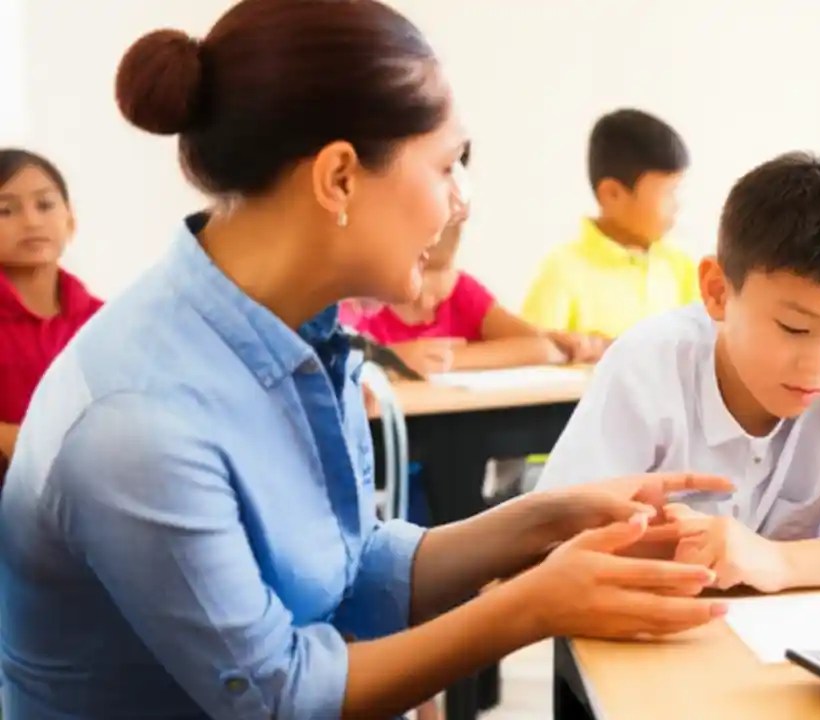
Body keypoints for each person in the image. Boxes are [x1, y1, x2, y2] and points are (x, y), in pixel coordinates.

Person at [0, 2, 732, 718]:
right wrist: (532, 603)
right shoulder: (136, 426)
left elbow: (352, 566)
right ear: (340, 178)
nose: (461, 204)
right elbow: (280, 696)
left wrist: (544, 521)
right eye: (448, 166)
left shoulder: (300, 333)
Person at [537, 153, 820, 593]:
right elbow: (550, 540)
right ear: (718, 291)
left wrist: (779, 561)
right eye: (794, 328)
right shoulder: (648, 366)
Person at [341, 143, 604, 375]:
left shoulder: (461, 292)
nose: (458, 210)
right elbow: (337, 357)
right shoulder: (359, 296)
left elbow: (543, 348)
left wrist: (445, 359)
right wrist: (391, 359)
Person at [522, 108, 699, 339]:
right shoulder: (563, 272)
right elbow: (534, 358)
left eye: (677, 191)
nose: (677, 205)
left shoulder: (681, 268)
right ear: (612, 194)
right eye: (668, 193)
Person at [0, 150, 102, 465]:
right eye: (5, 210)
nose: (31, 221)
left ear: (70, 220)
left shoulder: (105, 322)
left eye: (45, 205)